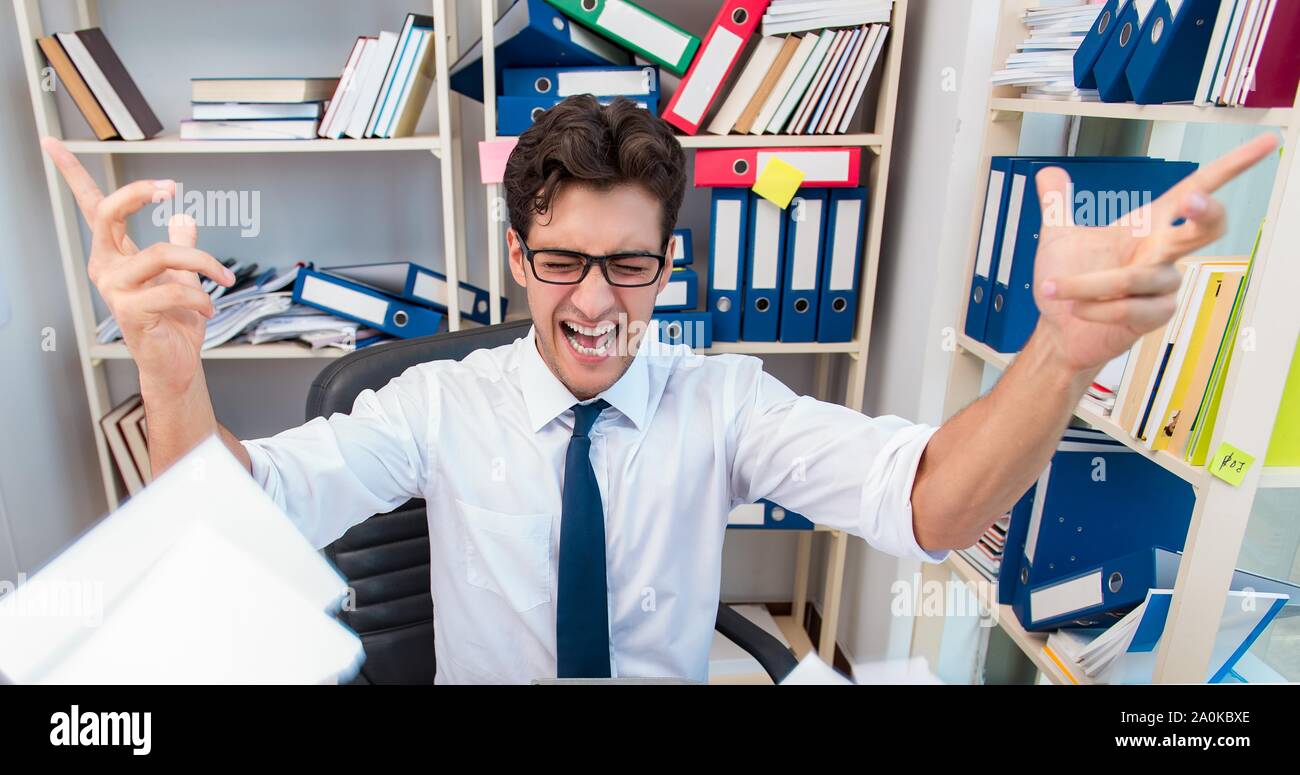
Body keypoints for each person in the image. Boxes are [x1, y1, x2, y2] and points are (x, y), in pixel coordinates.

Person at [43, 95, 1277, 683]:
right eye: (563, 262)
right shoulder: (437, 406)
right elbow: (239, 516)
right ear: (519, 259)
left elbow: (934, 509)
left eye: (628, 263)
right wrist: (165, 362)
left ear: (668, 264)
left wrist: (1059, 350)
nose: (595, 302)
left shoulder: (723, 400)